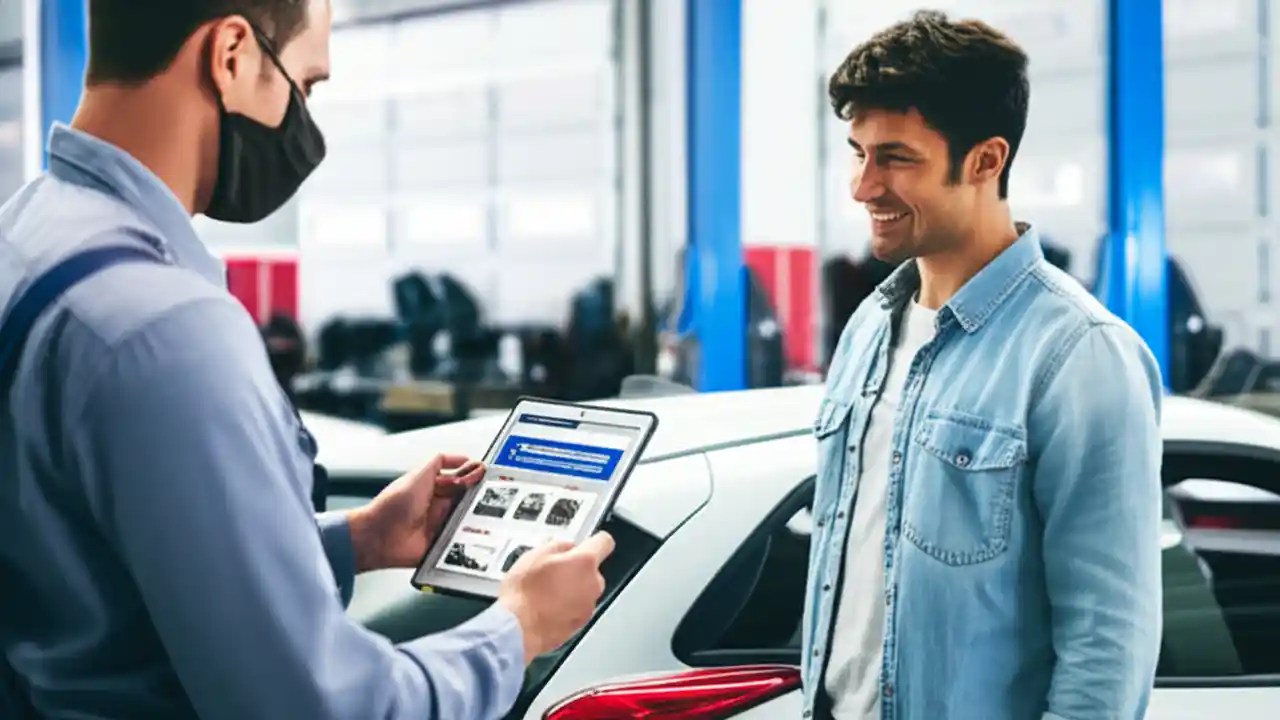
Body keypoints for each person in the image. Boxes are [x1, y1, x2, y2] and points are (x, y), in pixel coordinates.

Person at [0, 1, 611, 718]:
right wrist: (520, 626)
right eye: (306, 86)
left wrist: (362, 539)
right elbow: (319, 707)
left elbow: (104, 572)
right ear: (231, 55)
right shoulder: (167, 329)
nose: (305, 123)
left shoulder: (27, 240)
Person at [805, 11, 1162, 720]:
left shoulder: (1078, 354)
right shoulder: (868, 332)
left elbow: (1108, 643)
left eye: (896, 158)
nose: (862, 186)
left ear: (986, 160)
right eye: (858, 153)